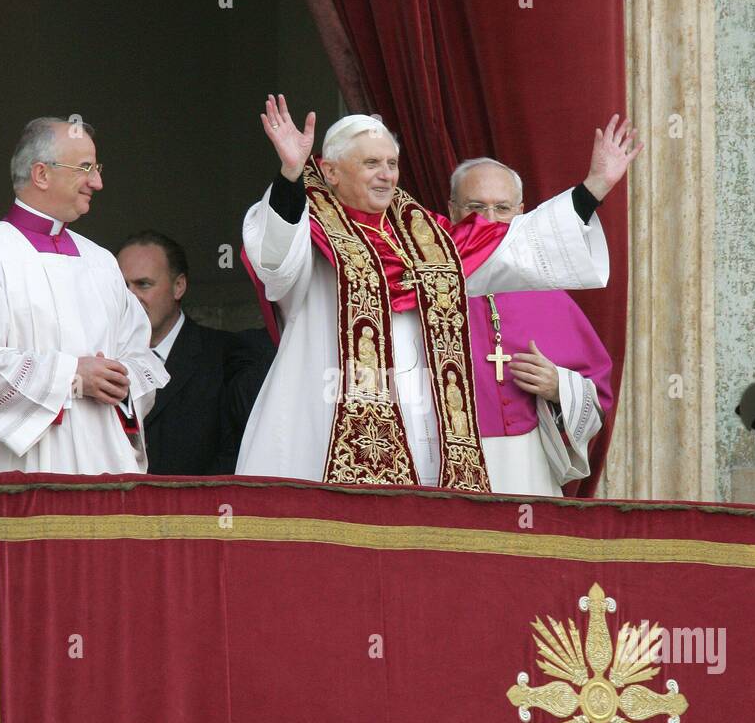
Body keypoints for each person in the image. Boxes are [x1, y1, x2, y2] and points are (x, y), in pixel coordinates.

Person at [236, 95, 640, 490]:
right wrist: (290, 174)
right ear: (331, 171)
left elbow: (509, 244)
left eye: (392, 163)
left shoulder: (425, 235)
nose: (387, 174)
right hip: (323, 416)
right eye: (372, 163)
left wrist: (593, 189)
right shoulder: (311, 227)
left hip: (417, 428)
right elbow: (276, 263)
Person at [0, 117, 167, 474]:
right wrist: (72, 376)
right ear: (41, 175)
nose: (97, 182)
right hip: (17, 469)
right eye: (85, 168)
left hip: (101, 464)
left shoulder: (102, 262)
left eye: (97, 168)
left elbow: (140, 355)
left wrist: (120, 380)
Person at [448, 157, 614, 495]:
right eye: (475, 207)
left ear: (522, 212)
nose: (489, 220)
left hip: (528, 461)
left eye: (502, 208)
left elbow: (599, 395)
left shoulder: (549, 293)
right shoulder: (427, 286)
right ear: (452, 210)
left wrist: (558, 387)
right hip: (444, 455)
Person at [117, 231, 275, 474]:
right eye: (122, 286)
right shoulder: (101, 359)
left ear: (178, 286)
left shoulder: (228, 357)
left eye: (143, 284)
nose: (131, 297)